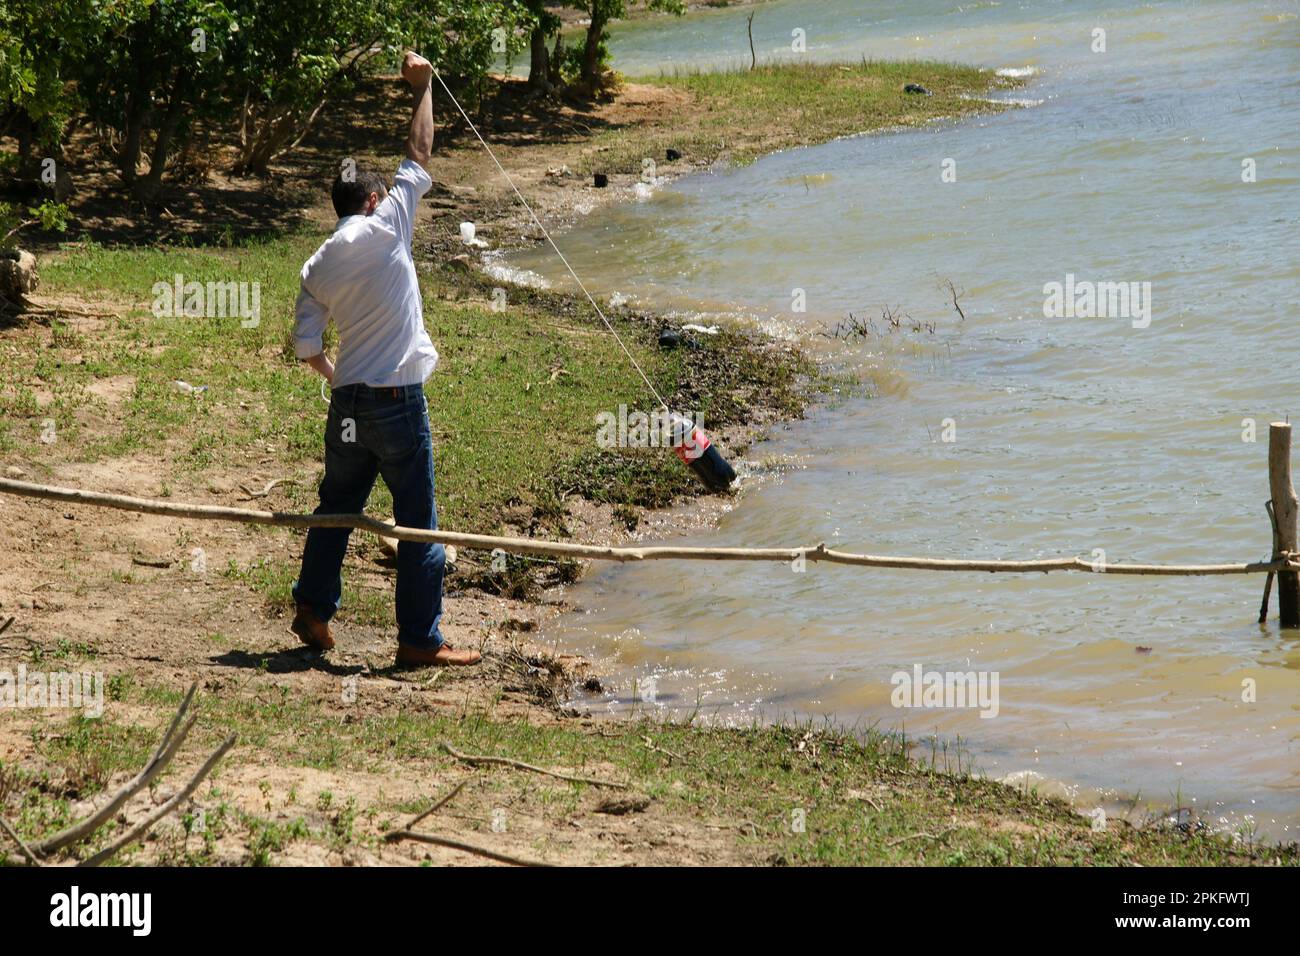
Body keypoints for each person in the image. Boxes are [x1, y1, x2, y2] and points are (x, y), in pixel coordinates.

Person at [288, 51, 480, 667]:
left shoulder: (317, 263)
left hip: (347, 403)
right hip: (396, 401)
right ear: (371, 199)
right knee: (418, 521)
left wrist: (337, 377)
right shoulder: (389, 223)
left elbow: (305, 348)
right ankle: (420, 642)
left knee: (336, 508)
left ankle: (314, 608)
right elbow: (419, 154)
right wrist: (424, 88)